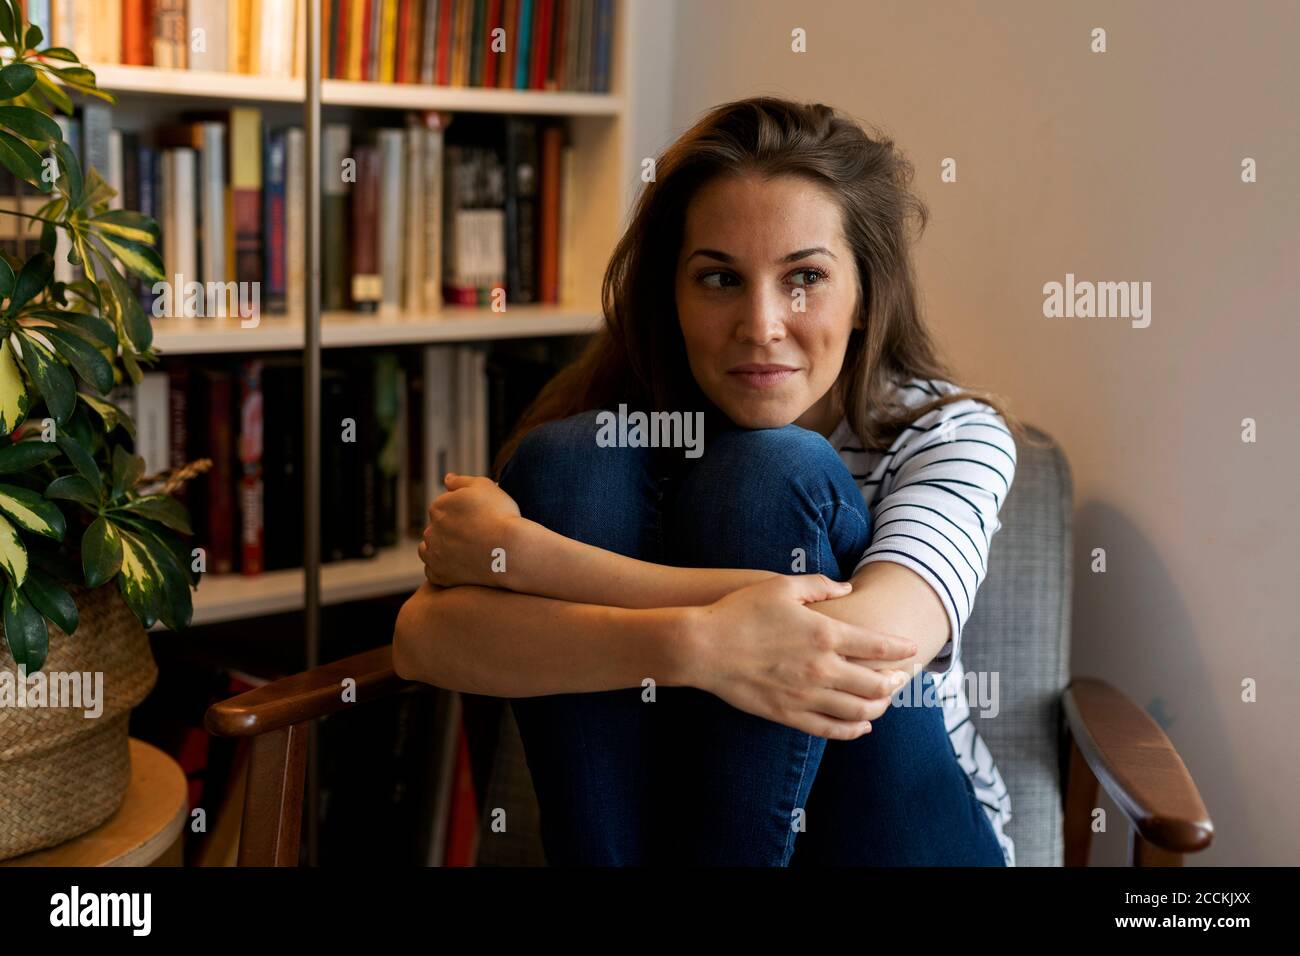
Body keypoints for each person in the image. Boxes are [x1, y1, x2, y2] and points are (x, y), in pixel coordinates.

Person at [393, 96, 1038, 866]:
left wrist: (527, 560)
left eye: (804, 277)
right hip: (664, 836)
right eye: (719, 279)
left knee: (770, 472)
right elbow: (422, 640)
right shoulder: (618, 428)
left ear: (867, 294)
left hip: (894, 836)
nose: (761, 323)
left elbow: (869, 646)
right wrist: (696, 645)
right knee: (569, 459)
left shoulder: (950, 435)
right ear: (672, 294)